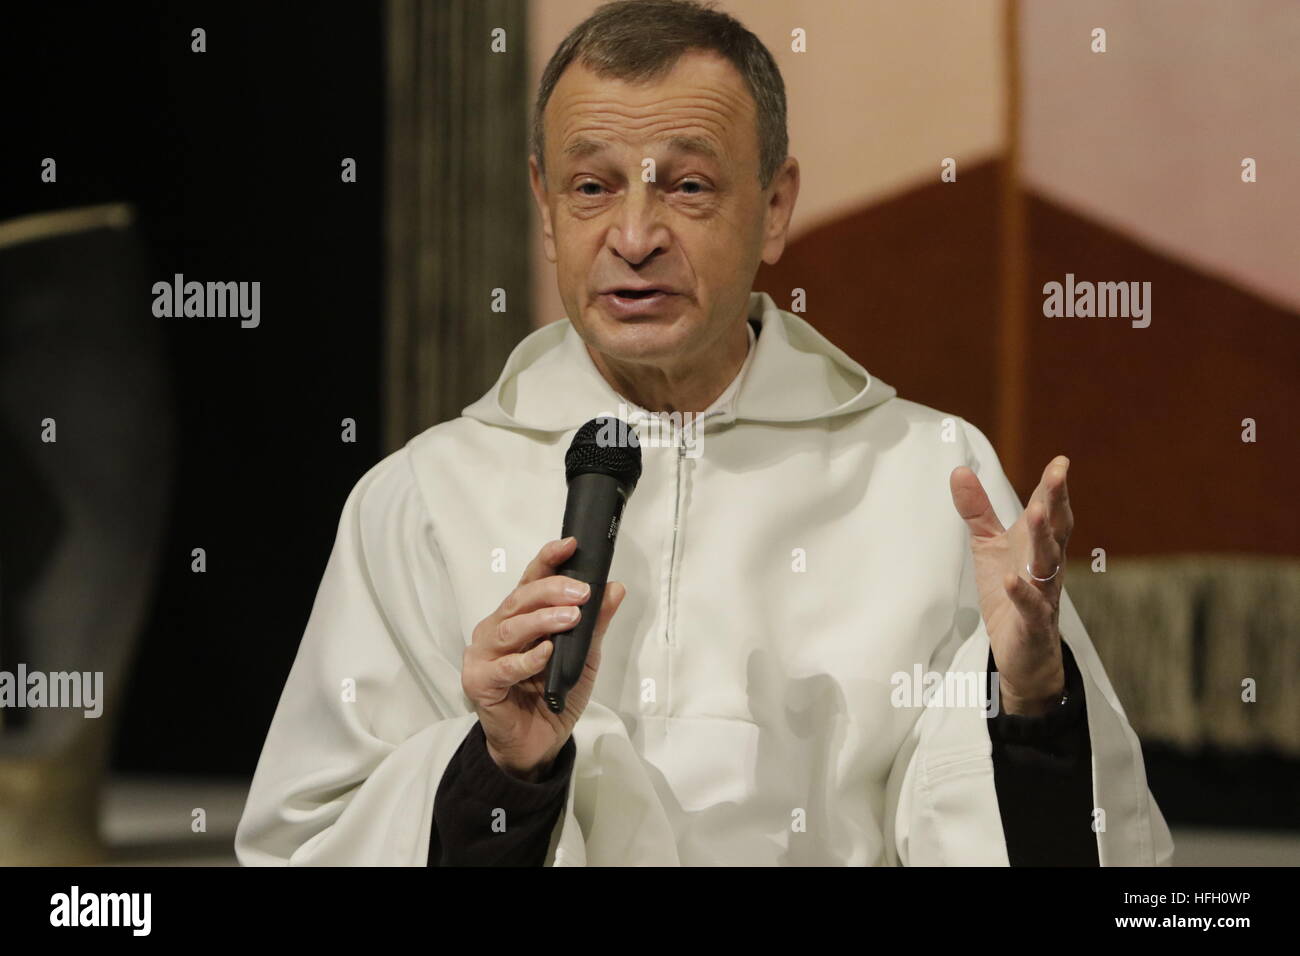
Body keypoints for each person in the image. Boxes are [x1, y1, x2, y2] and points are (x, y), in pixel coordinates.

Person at [236, 0, 1172, 866]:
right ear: (546, 207)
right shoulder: (424, 496)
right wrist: (501, 772)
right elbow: (306, 842)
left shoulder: (927, 476)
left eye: (687, 186)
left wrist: (1034, 708)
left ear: (774, 206)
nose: (633, 235)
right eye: (592, 187)